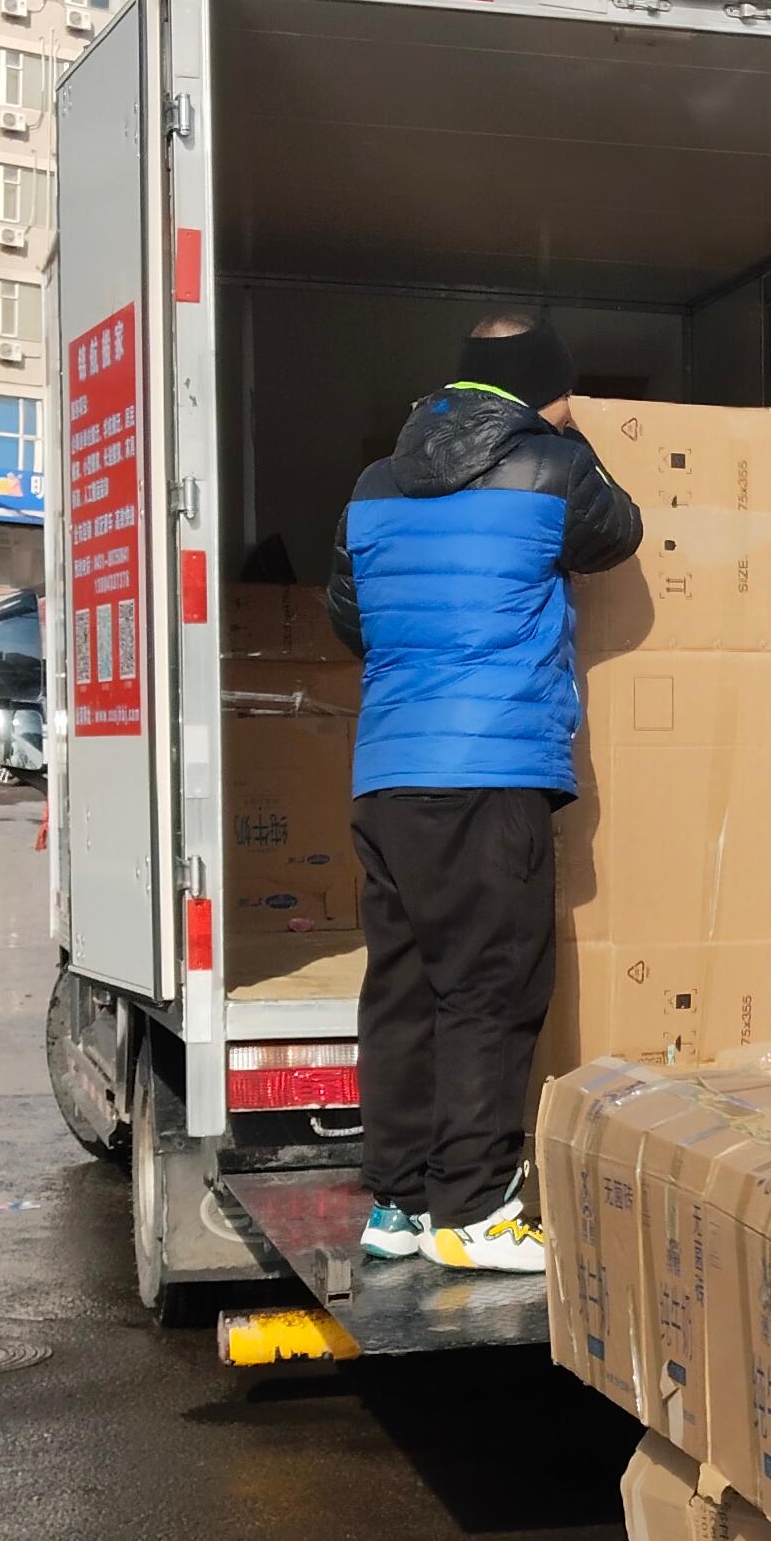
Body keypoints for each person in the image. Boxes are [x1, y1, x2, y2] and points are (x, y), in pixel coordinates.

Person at [323, 316, 643, 1274]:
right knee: (489, 992)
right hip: (492, 769)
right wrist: (568, 432)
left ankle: (399, 1204)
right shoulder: (552, 468)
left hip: (388, 774)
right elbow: (620, 531)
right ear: (546, 387)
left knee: (403, 989)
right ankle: (473, 1211)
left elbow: (351, 621)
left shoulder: (373, 485)